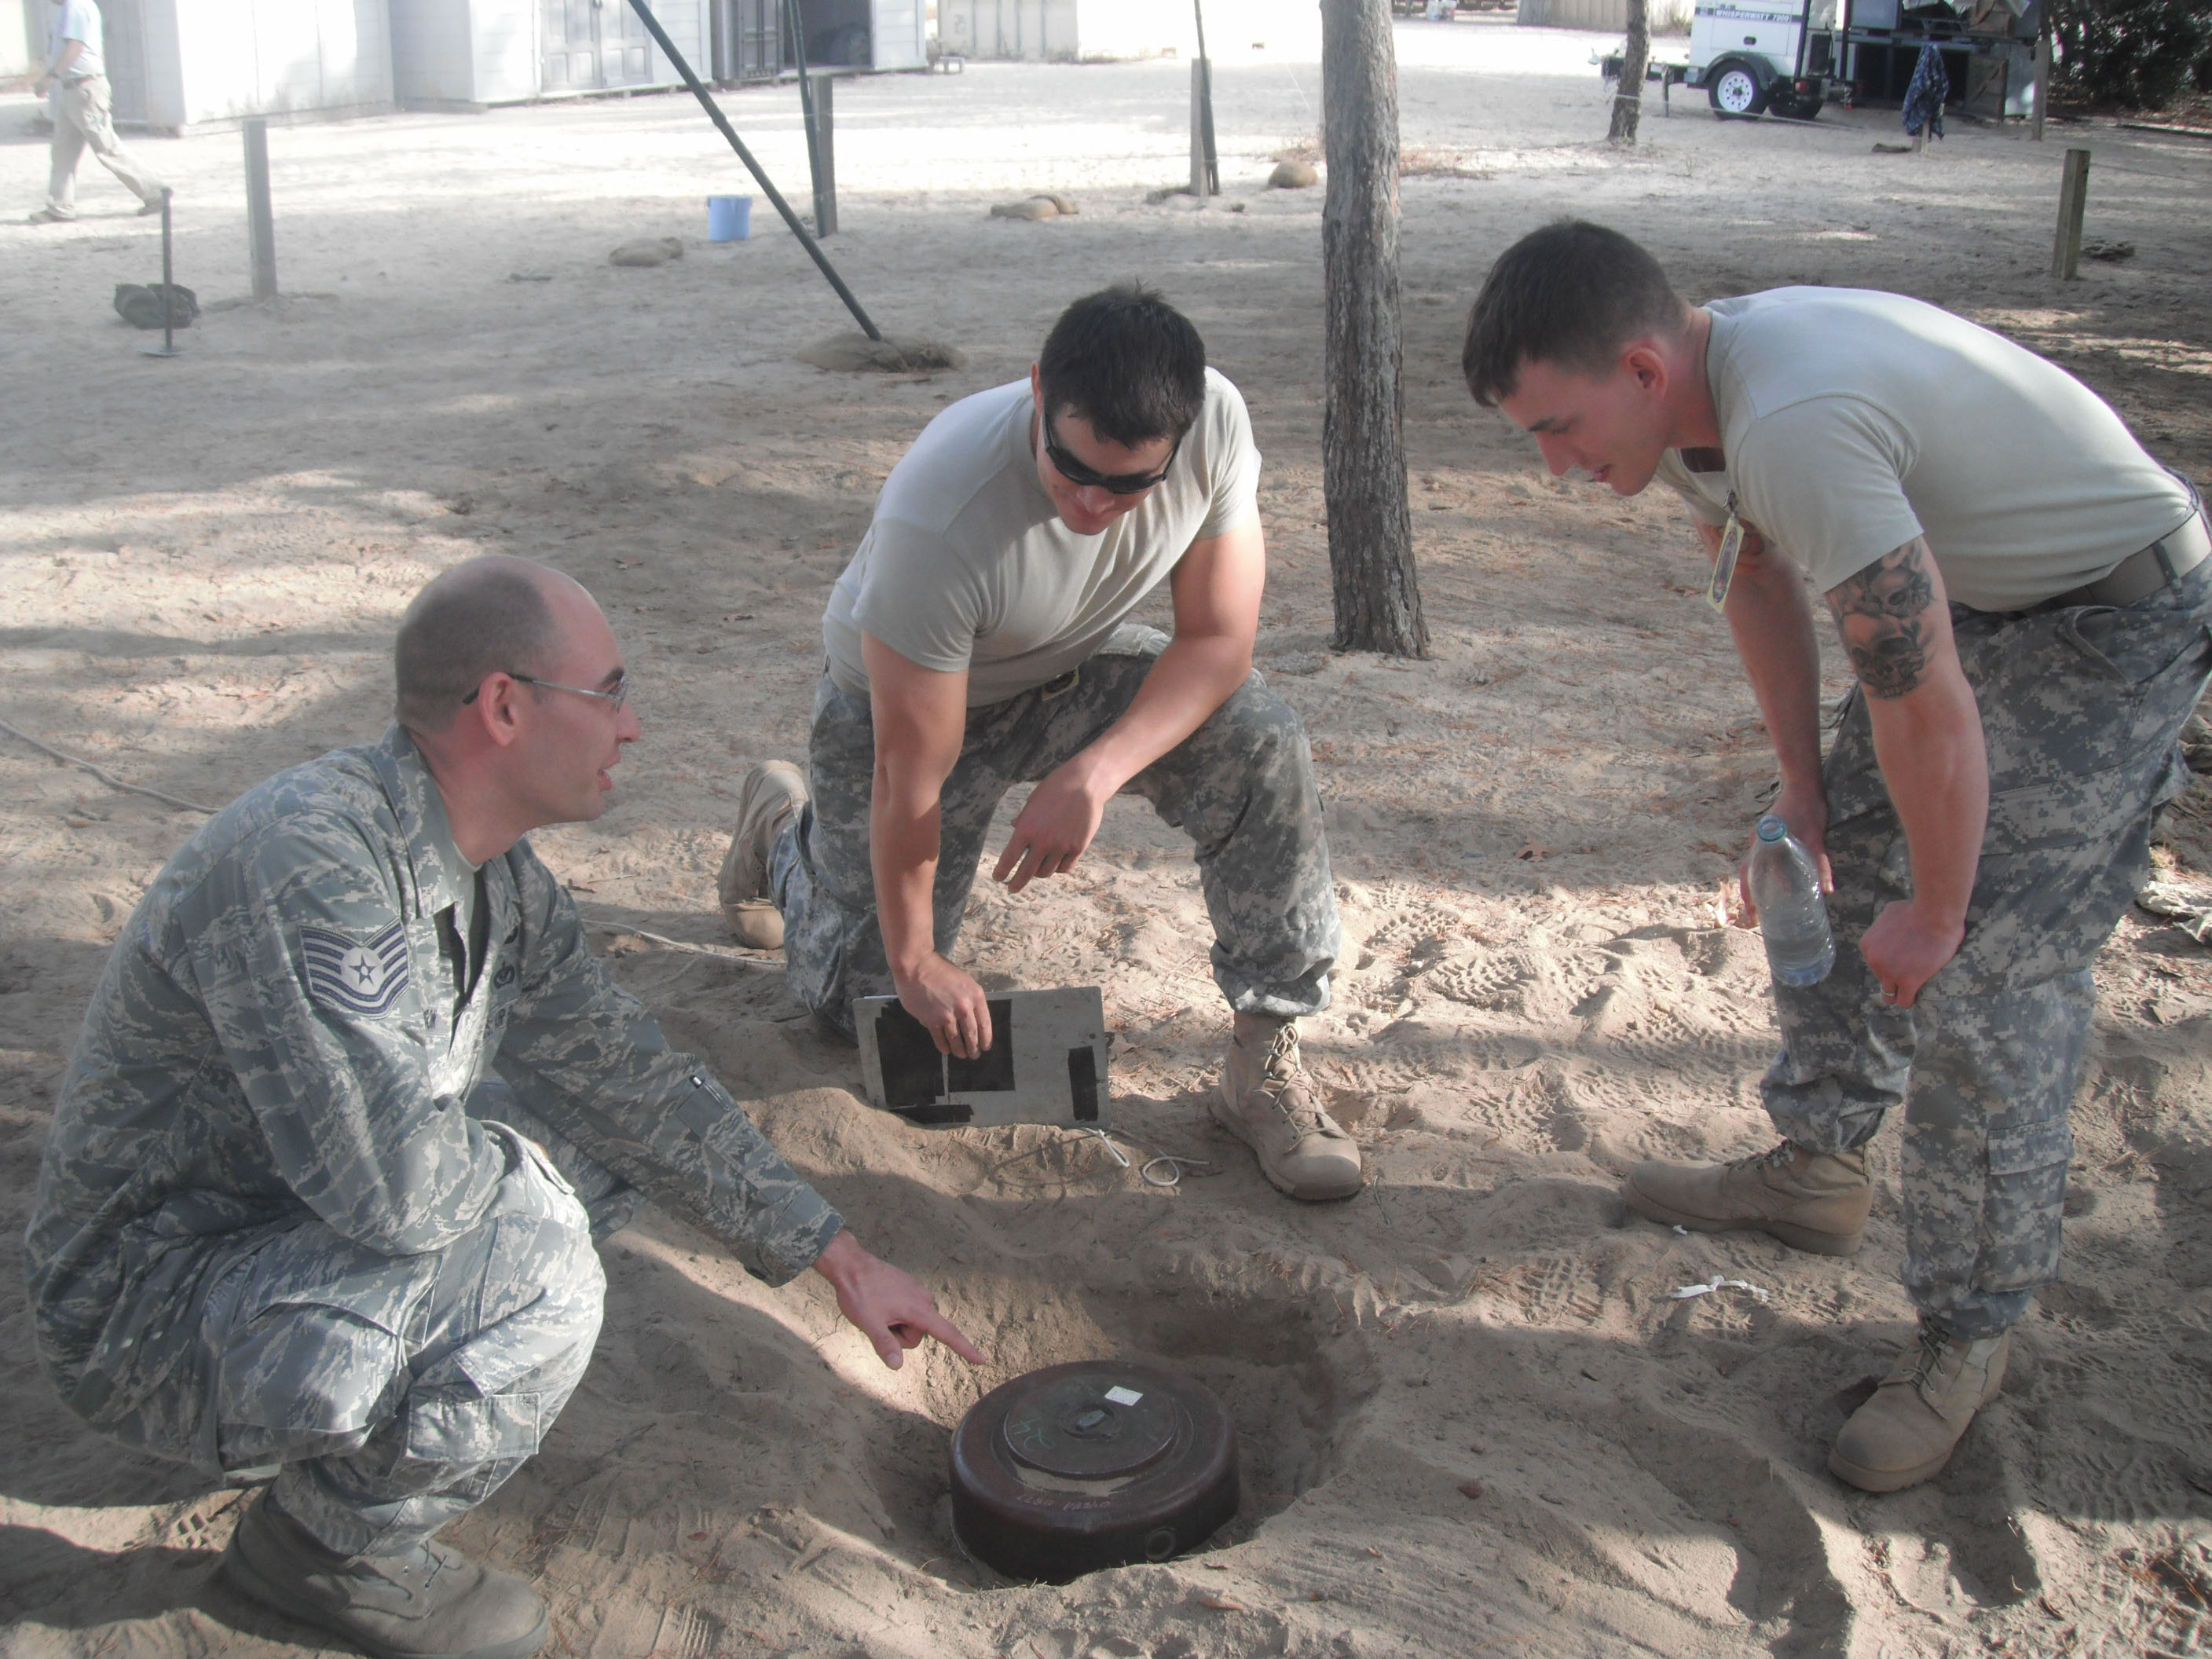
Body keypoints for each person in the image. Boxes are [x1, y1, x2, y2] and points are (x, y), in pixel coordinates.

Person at [25, 556, 983, 1659]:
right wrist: (529, 1199)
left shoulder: (492, 871)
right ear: (503, 706)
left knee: (589, 1132)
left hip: (271, 1220)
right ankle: (333, 1550)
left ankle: (354, 1401)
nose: (631, 728)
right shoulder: (318, 869)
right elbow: (396, 1192)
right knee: (540, 1254)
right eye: (610, 691)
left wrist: (841, 1257)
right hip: (149, 1304)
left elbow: (625, 1076)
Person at [1459, 221, 2210, 1492]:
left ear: (1641, 370)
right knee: (1810, 858)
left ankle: (1971, 1337)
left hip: (2107, 614)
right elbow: (1751, 582)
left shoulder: (1789, 421)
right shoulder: (1688, 413)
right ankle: (1819, 1163)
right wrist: (1804, 790)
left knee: (1990, 978)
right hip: (1975, 598)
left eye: (1556, 426)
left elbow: (1926, 710)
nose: (1551, 465)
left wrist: (1941, 905)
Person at [717, 284, 1362, 1202]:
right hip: (908, 711)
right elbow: (912, 777)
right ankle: (785, 835)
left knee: (1257, 735)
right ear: (1034, 394)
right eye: (1070, 468)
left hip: (1068, 665)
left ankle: (1264, 1054)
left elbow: (1217, 642)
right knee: (859, 1005)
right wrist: (916, 963)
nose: (1095, 503)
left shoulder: (1214, 421)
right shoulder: (936, 517)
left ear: (1176, 440)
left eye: (1129, 483)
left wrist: (1093, 772)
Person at [28, 0, 167, 225]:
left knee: (107, 147)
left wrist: (51, 77)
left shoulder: (76, 6)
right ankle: (59, 206)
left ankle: (155, 192)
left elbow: (75, 46)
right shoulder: (73, 8)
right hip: (73, 90)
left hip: (85, 91)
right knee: (63, 152)